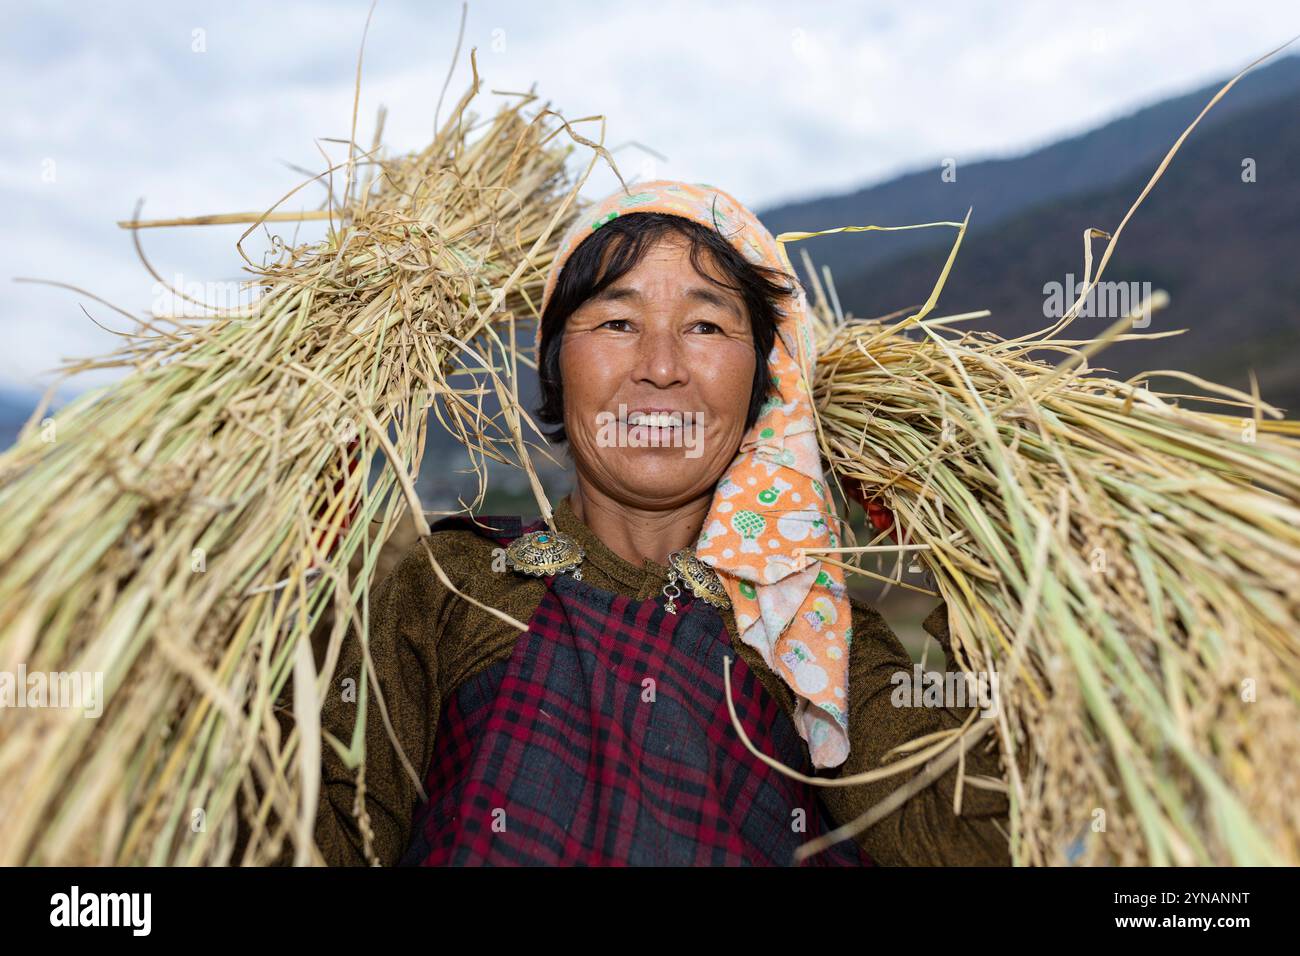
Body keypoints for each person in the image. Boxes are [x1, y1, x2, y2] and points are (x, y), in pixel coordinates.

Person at [307, 180, 1011, 866]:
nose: (662, 367)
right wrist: (292, 578)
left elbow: (976, 844)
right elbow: (317, 835)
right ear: (555, 366)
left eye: (705, 325)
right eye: (618, 322)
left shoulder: (813, 639)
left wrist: (971, 544)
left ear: (765, 384)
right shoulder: (451, 591)